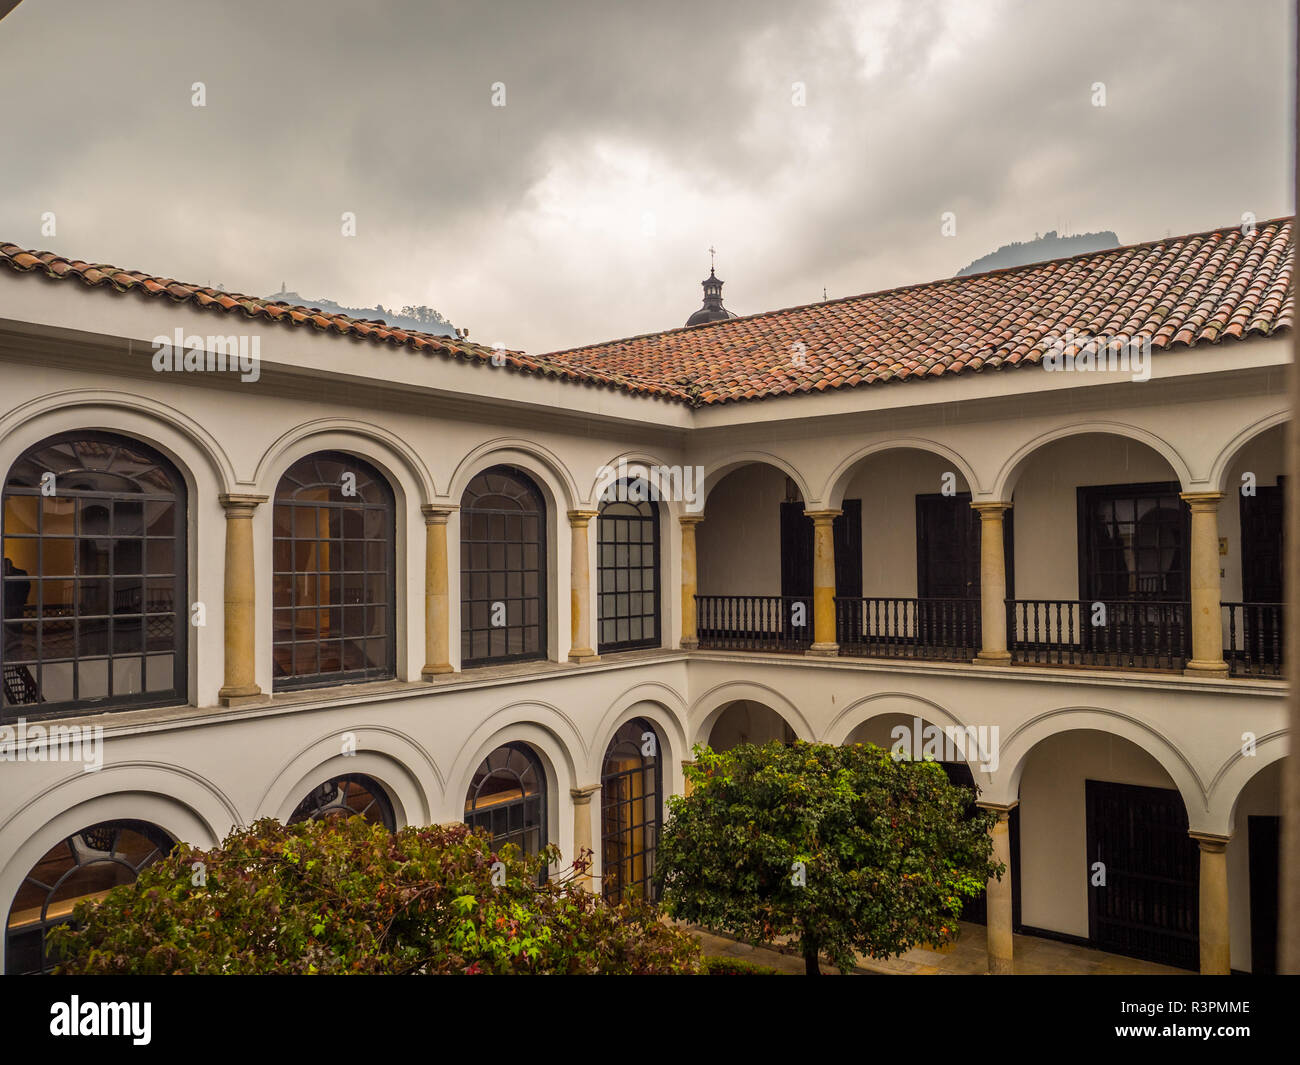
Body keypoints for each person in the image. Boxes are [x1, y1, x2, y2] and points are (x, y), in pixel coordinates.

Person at [3, 556, 31, 621]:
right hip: (7, 605)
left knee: (17, 624)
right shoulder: (21, 573)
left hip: (17, 605)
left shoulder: (21, 573)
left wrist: (20, 601)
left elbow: (26, 588)